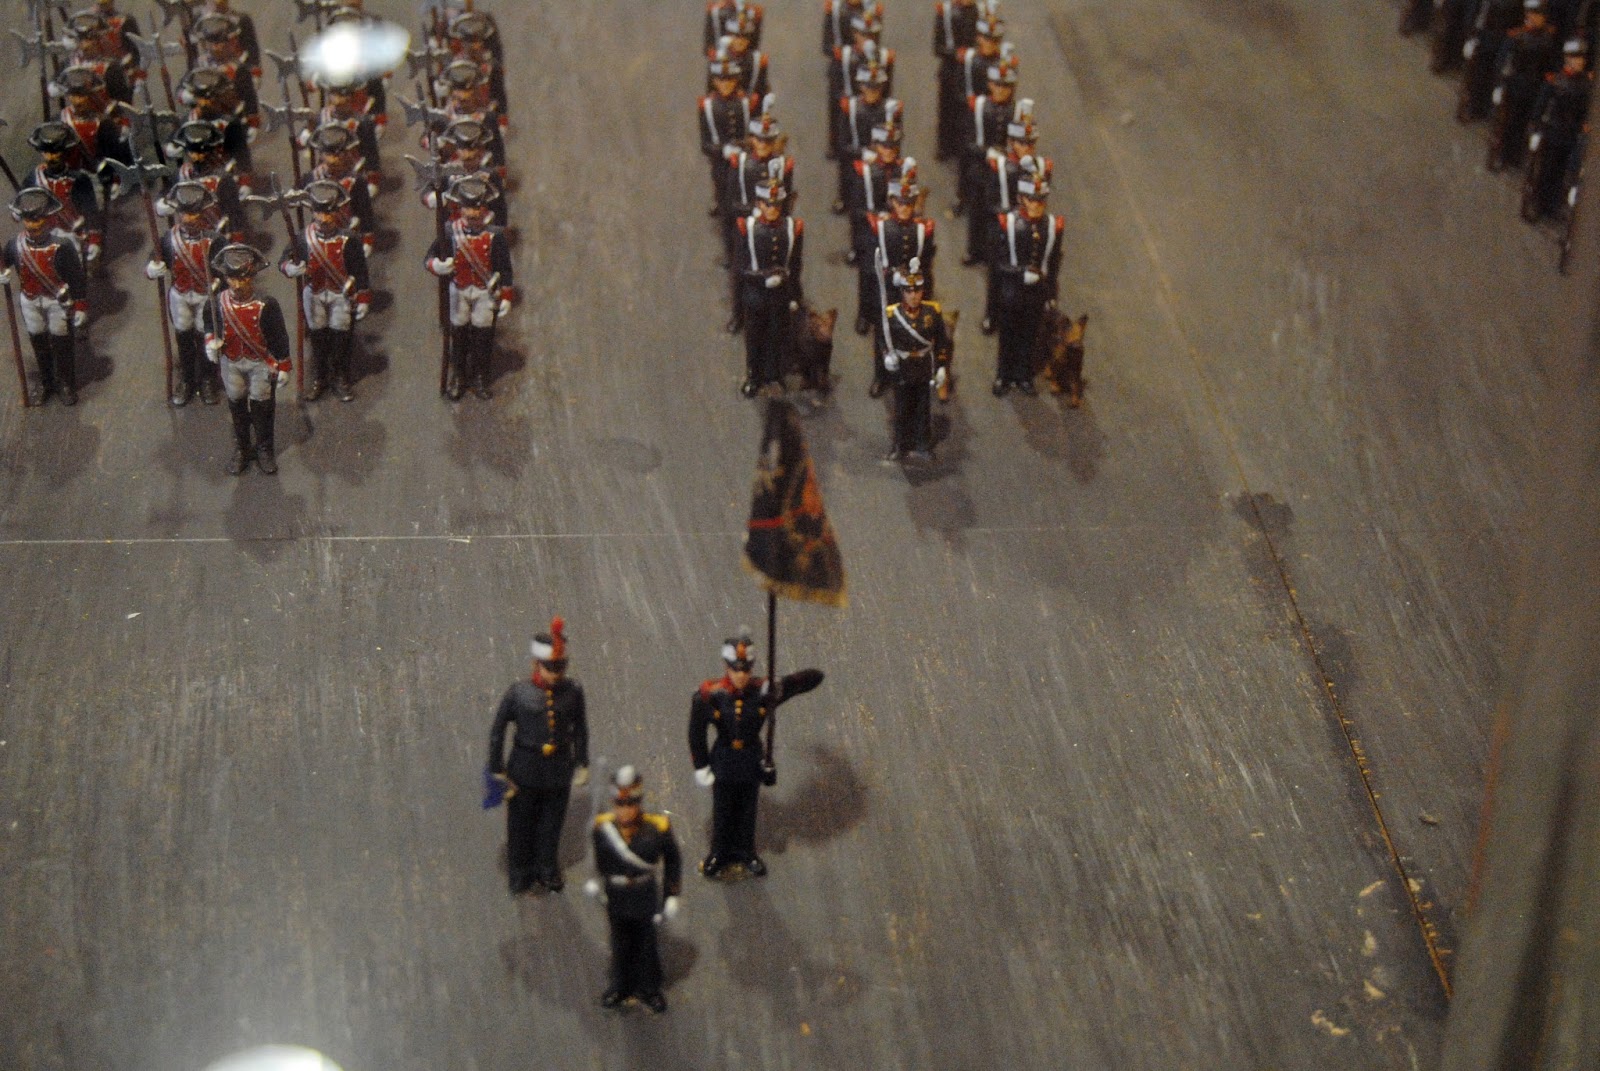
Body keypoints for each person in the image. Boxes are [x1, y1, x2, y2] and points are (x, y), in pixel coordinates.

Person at [688, 631, 824, 877]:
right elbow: (696, 733)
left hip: (751, 760)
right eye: (735, 669)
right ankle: (719, 852)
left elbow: (812, 678)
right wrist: (701, 765)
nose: (741, 675)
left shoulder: (763, 692)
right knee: (722, 809)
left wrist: (781, 684)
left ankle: (746, 851)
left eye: (745, 670)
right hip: (725, 760)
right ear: (726, 667)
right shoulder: (711, 695)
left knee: (748, 809)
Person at [488, 618, 591, 895]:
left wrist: (581, 761)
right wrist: (496, 769)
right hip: (524, 769)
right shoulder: (519, 694)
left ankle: (546, 867)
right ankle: (520, 870)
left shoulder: (573, 692)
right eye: (550, 667)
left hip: (558, 770)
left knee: (551, 824)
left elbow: (580, 728)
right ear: (536, 665)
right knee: (520, 824)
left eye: (560, 667)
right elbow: (498, 731)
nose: (556, 674)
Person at [586, 766, 681, 1014]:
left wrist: (672, 894)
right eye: (620, 804)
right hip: (616, 896)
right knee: (620, 942)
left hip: (643, 894)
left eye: (630, 804)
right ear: (614, 803)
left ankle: (649, 988)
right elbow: (600, 859)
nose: (625, 810)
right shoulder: (602, 829)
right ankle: (622, 986)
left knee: (646, 943)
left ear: (638, 803)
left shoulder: (657, 828)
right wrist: (597, 880)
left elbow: (673, 860)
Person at [279, 180, 371, 403]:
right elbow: (284, 260)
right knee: (318, 338)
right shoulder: (302, 239)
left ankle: (340, 375)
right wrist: (292, 268)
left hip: (341, 294)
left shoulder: (349, 240)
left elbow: (360, 271)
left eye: (327, 213)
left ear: (336, 213)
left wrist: (363, 297)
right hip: (315, 294)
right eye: (318, 213)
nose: (322, 219)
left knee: (342, 337)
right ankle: (320, 376)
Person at [204, 244, 291, 475]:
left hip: (259, 363)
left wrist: (283, 365)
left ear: (251, 277)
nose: (236, 284)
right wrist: (210, 343)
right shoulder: (217, 302)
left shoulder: (267, 304)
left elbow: (279, 336)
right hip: (231, 362)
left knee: (263, 407)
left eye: (242, 278)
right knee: (237, 407)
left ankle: (264, 448)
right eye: (232, 278)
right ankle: (242, 448)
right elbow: (209, 323)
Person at [424, 175, 514, 400]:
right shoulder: (449, 231)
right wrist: (438, 265)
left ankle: (480, 377)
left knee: (483, 338)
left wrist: (506, 296)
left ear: (485, 209)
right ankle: (459, 376)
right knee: (459, 336)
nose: (473, 214)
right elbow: (429, 257)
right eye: (468, 208)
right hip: (459, 291)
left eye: (478, 208)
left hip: (484, 292)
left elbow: (505, 268)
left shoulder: (496, 236)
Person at [0, 189, 88, 406]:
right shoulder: (15, 245)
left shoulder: (63, 246)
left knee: (62, 343)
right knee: (38, 342)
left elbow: (77, 279)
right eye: (29, 220)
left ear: (48, 219)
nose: (33, 225)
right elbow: (4, 262)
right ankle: (47, 381)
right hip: (29, 300)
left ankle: (66, 382)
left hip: (56, 301)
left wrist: (80, 306)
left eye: (37, 219)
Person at [146, 181, 223, 406]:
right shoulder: (169, 239)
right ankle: (188, 379)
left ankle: (208, 379)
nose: (189, 219)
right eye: (184, 214)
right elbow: (154, 258)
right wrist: (153, 268)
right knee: (184, 339)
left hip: (205, 298)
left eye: (194, 214)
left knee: (205, 338)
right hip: (180, 295)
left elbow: (226, 272)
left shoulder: (214, 241)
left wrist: (219, 288)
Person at [988, 171, 1063, 396]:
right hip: (1012, 292)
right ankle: (1003, 374)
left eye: (1040, 201)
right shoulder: (1008, 223)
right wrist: (1021, 273)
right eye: (1031, 200)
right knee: (1008, 334)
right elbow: (999, 263)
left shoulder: (1052, 226)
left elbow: (1054, 262)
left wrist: (1051, 294)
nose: (1036, 205)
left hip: (1037, 293)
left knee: (1030, 336)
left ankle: (1023, 375)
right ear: (1021, 198)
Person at [866, 166, 937, 395]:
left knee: (912, 333)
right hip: (889, 290)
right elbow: (871, 263)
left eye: (909, 203)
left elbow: (927, 262)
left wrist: (925, 289)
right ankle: (881, 376)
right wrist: (890, 276)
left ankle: (910, 374)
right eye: (900, 203)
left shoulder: (922, 230)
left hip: (913, 291)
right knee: (885, 333)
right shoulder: (881, 227)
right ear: (892, 203)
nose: (905, 208)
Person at [733, 178, 804, 397]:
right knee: (755, 337)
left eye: (776, 204)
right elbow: (741, 268)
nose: (772, 209)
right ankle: (753, 376)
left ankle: (774, 374)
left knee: (777, 336)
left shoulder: (793, 228)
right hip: (756, 295)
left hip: (780, 296)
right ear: (759, 204)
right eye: (767, 204)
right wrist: (763, 278)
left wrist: (794, 294)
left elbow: (795, 264)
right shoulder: (748, 228)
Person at [881, 258, 951, 461]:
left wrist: (941, 366)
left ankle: (922, 443)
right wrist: (887, 356)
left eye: (917, 291)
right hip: (903, 367)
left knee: (923, 407)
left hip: (922, 366)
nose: (913, 296)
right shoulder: (892, 315)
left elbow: (941, 342)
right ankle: (899, 444)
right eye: (908, 291)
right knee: (901, 407)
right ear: (902, 292)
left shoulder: (932, 312)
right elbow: (883, 340)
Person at [1487, 0, 1561, 169]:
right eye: (1531, 14)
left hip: (1534, 89)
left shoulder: (1548, 40)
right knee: (1507, 123)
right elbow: (1502, 62)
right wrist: (1500, 84)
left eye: (1538, 15)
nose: (1533, 18)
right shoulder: (1517, 37)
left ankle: (1515, 156)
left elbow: (1552, 67)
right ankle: (1501, 155)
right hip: (1515, 87)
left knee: (1524, 124)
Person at [1524, 38, 1592, 219]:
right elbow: (1541, 105)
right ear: (1567, 59)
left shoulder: (1587, 84)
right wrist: (1535, 126)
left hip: (1571, 135)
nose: (1580, 61)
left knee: (1562, 173)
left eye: (1581, 58)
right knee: (1547, 170)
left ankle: (1553, 206)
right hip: (1553, 132)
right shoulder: (1555, 81)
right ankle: (1538, 203)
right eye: (1576, 57)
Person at [23, 122, 105, 267]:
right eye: (46, 152)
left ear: (64, 152)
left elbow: (91, 211)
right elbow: (24, 204)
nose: (50, 157)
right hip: (44, 238)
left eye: (55, 152)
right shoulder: (33, 178)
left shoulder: (79, 179)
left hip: (75, 236)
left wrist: (94, 240)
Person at [933, 0, 983, 159]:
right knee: (947, 109)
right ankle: (945, 147)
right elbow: (937, 47)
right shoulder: (946, 12)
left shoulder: (982, 12)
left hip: (975, 72)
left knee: (970, 111)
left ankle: (966, 147)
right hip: (951, 70)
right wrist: (955, 53)